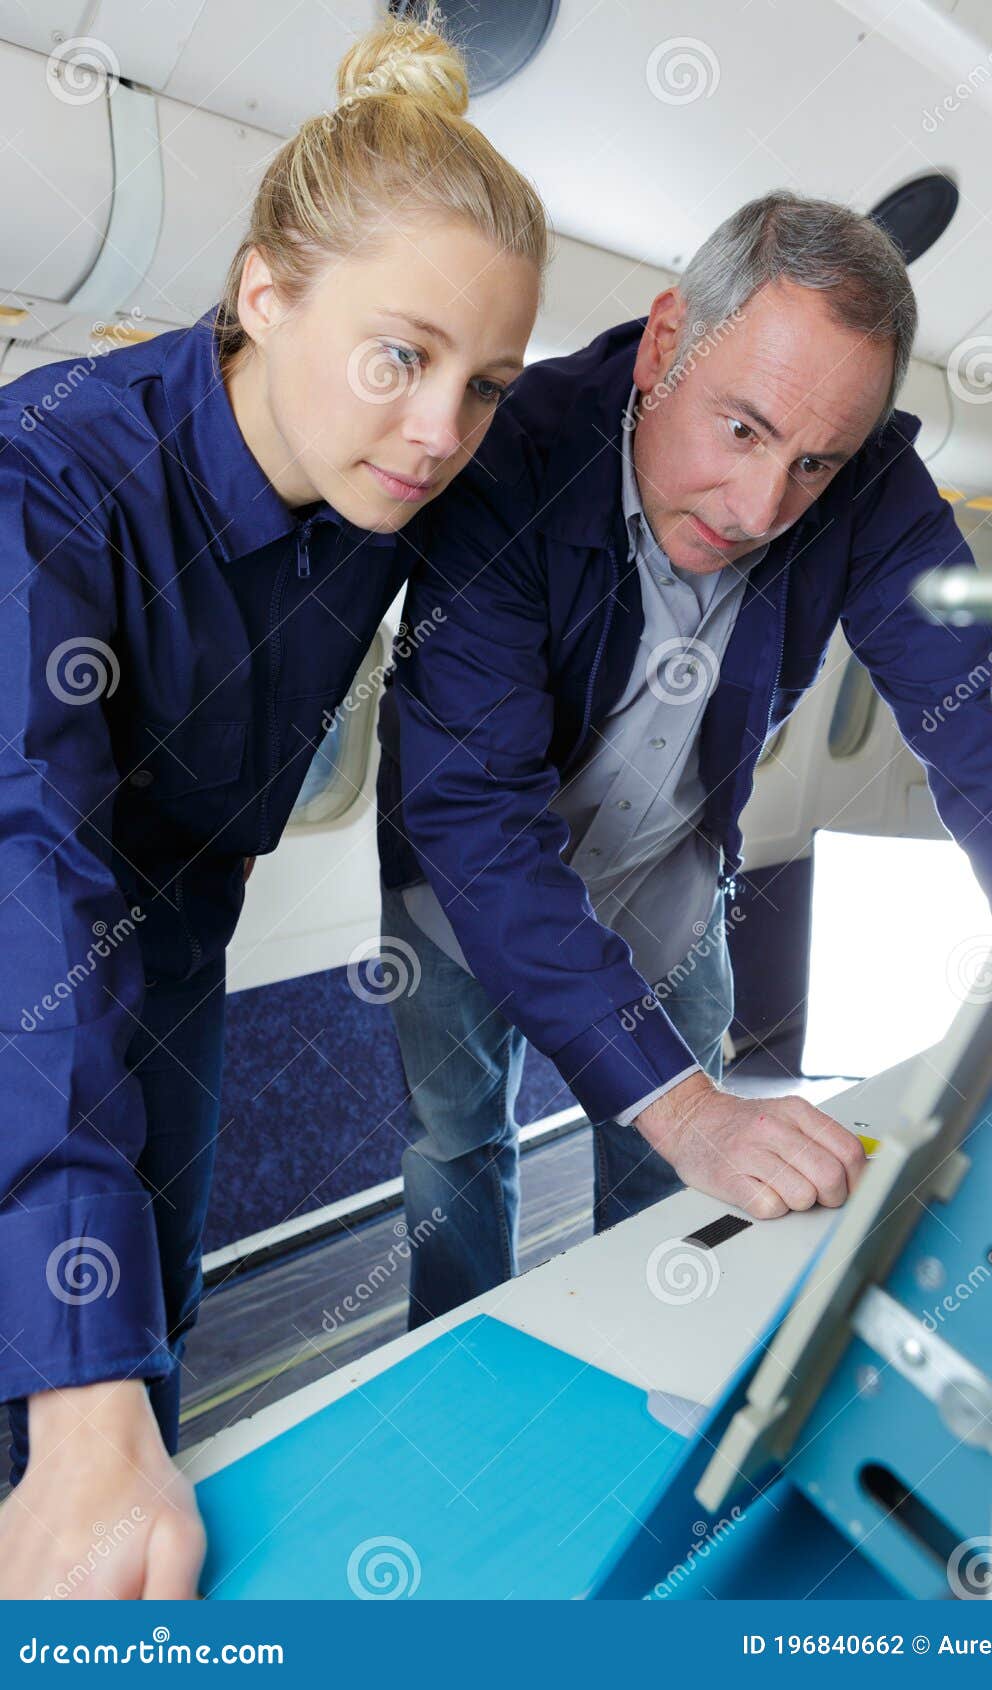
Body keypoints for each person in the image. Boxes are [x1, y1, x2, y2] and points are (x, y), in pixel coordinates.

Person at [0, 13, 545, 1599]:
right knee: (72, 1378)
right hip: (23, 947)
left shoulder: (390, 479)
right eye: (402, 353)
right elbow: (26, 860)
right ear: (263, 295)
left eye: (485, 382)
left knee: (137, 1366)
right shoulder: (49, 484)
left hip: (174, 964)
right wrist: (81, 1393)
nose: (441, 431)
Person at [377, 190, 992, 1328]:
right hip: (463, 889)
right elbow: (477, 814)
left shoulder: (868, 487)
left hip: (670, 880)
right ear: (661, 344)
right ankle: (454, 1349)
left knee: (664, 1177)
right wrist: (679, 1107)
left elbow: (979, 731)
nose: (758, 506)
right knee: (456, 1136)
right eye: (741, 429)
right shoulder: (511, 454)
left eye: (812, 464)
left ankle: (653, 1346)